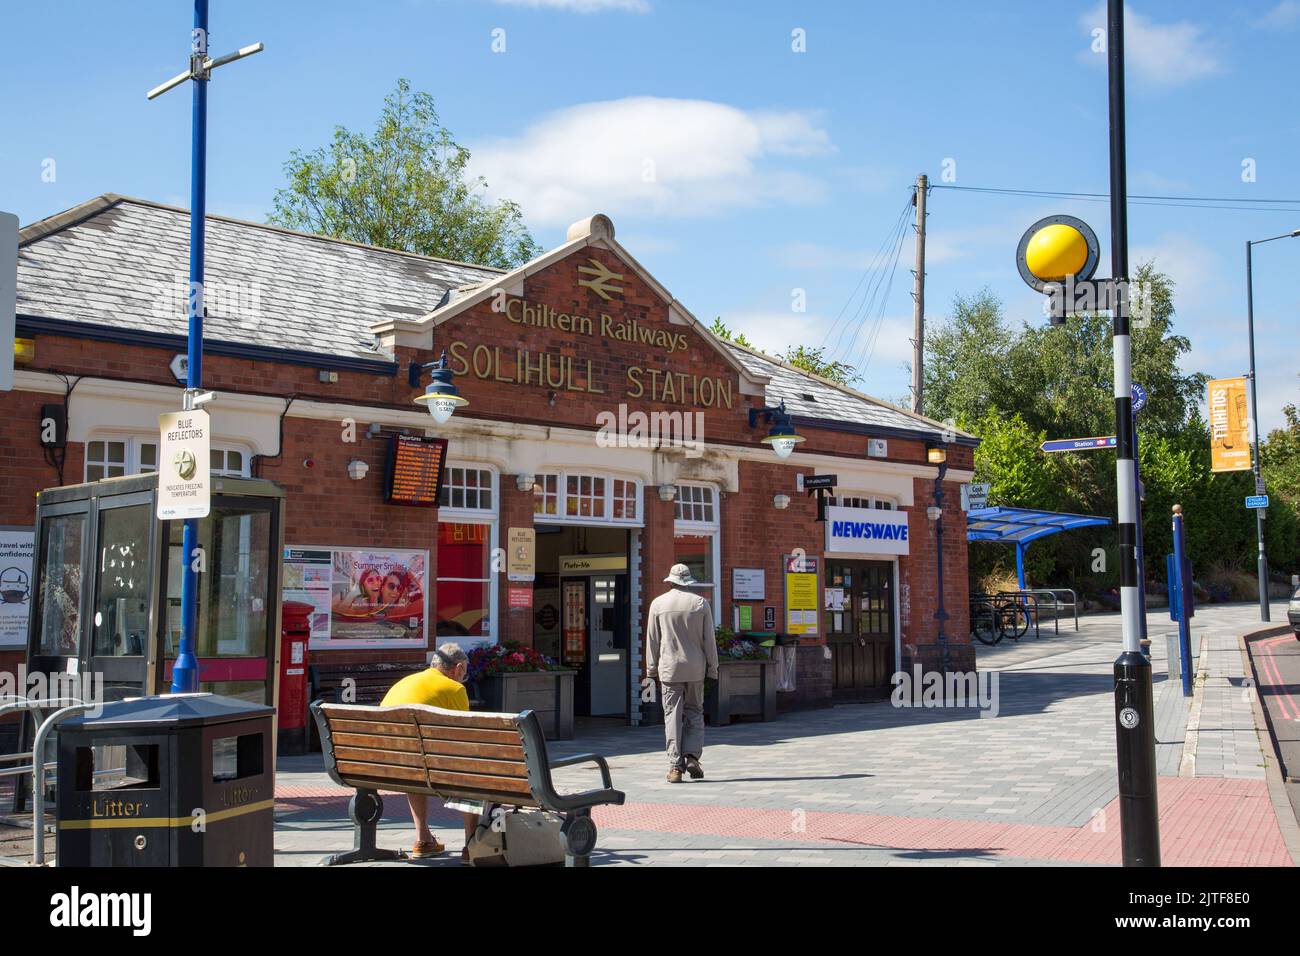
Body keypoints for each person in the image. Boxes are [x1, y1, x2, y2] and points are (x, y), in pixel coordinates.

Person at [380, 643, 479, 862]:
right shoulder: (455, 688)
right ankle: (471, 845)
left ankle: (423, 838)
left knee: (415, 762)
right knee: (471, 770)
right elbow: (464, 737)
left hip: (389, 764)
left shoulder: (404, 682)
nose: (464, 677)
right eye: (465, 672)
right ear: (459, 667)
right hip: (427, 763)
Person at [646, 563, 718, 783]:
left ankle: (675, 766)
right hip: (695, 668)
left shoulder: (658, 604)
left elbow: (652, 640)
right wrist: (713, 668)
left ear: (671, 581)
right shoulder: (700, 603)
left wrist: (650, 669)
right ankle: (693, 757)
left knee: (672, 716)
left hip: (669, 669)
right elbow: (709, 641)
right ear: (688, 581)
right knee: (695, 711)